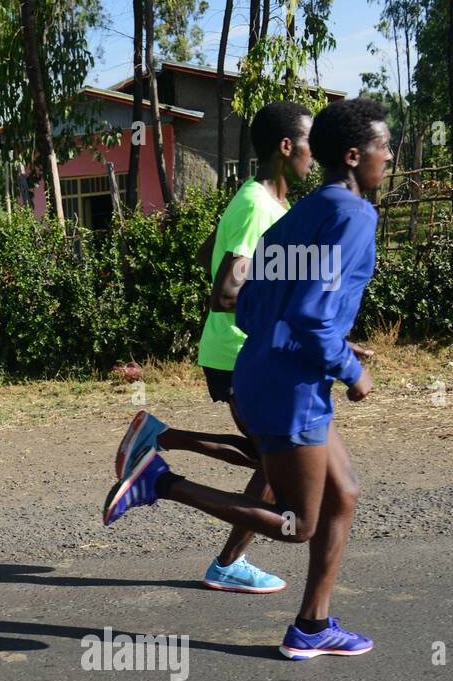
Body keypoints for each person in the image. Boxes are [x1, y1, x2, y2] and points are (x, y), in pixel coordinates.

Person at [104, 98, 392, 660]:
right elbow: (309, 315)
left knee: (344, 494)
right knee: (297, 524)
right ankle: (159, 483)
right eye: (385, 149)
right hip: (293, 384)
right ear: (355, 156)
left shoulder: (302, 213)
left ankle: (312, 625)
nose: (390, 159)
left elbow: (250, 303)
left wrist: (316, 340)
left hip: (264, 366)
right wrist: (351, 369)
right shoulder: (354, 216)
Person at [114, 101, 314, 594]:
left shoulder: (263, 204)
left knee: (272, 460)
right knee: (276, 469)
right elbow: (225, 292)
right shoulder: (257, 204)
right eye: (310, 142)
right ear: (286, 147)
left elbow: (211, 252)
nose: (316, 154)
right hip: (243, 352)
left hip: (245, 352)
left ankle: (161, 439)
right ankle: (215, 550)